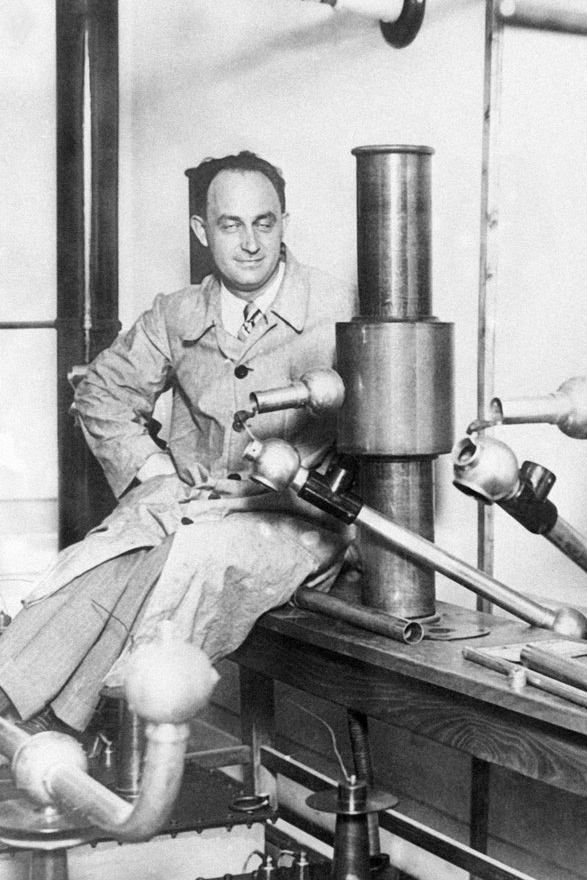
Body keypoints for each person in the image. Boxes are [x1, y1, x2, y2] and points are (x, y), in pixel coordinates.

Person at [0, 151, 356, 735]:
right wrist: (154, 474)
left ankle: (61, 723)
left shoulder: (344, 313)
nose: (249, 243)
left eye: (264, 223)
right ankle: (21, 710)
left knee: (185, 563)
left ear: (285, 224)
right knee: (102, 553)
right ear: (202, 231)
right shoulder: (177, 312)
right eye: (229, 225)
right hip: (182, 505)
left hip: (288, 522)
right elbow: (101, 394)